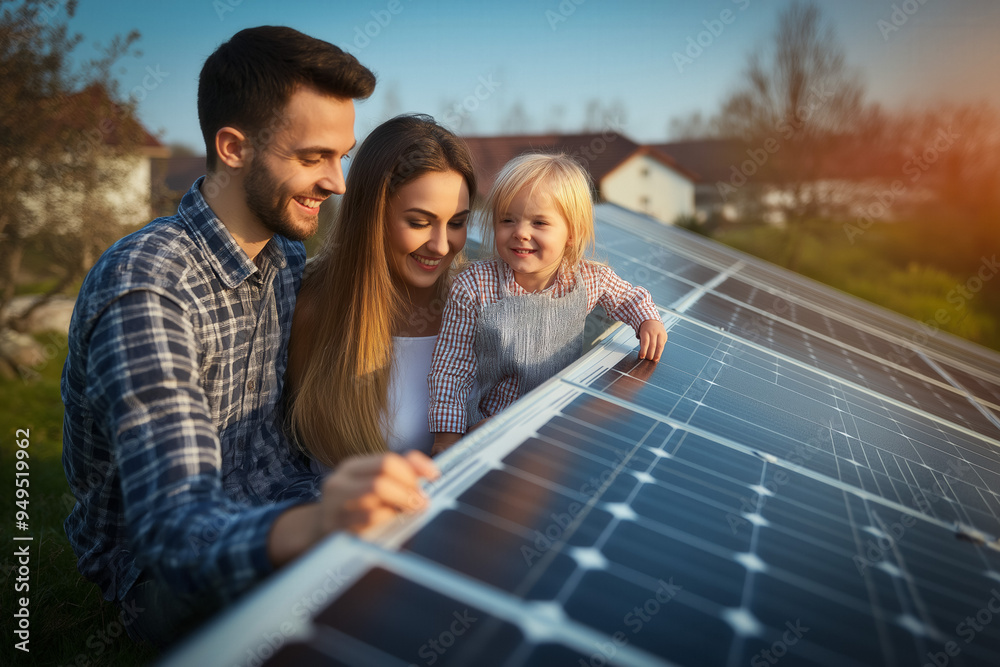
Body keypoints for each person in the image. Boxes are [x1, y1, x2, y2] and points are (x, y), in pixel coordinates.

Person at [60, 26, 438, 648]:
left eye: (341, 156)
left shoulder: (286, 255)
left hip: (287, 499)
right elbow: (177, 531)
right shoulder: (146, 289)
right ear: (233, 147)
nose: (338, 182)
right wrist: (320, 524)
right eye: (313, 157)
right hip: (162, 575)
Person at [428, 153, 668, 454]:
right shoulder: (474, 286)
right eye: (507, 220)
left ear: (572, 233)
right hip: (488, 426)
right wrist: (447, 437)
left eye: (539, 222)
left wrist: (648, 319)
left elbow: (629, 296)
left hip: (553, 425)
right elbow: (452, 367)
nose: (521, 232)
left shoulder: (586, 279)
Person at [286, 114, 476, 470]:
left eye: (457, 223)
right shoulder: (311, 310)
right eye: (419, 222)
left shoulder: (479, 306)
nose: (440, 245)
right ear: (371, 215)